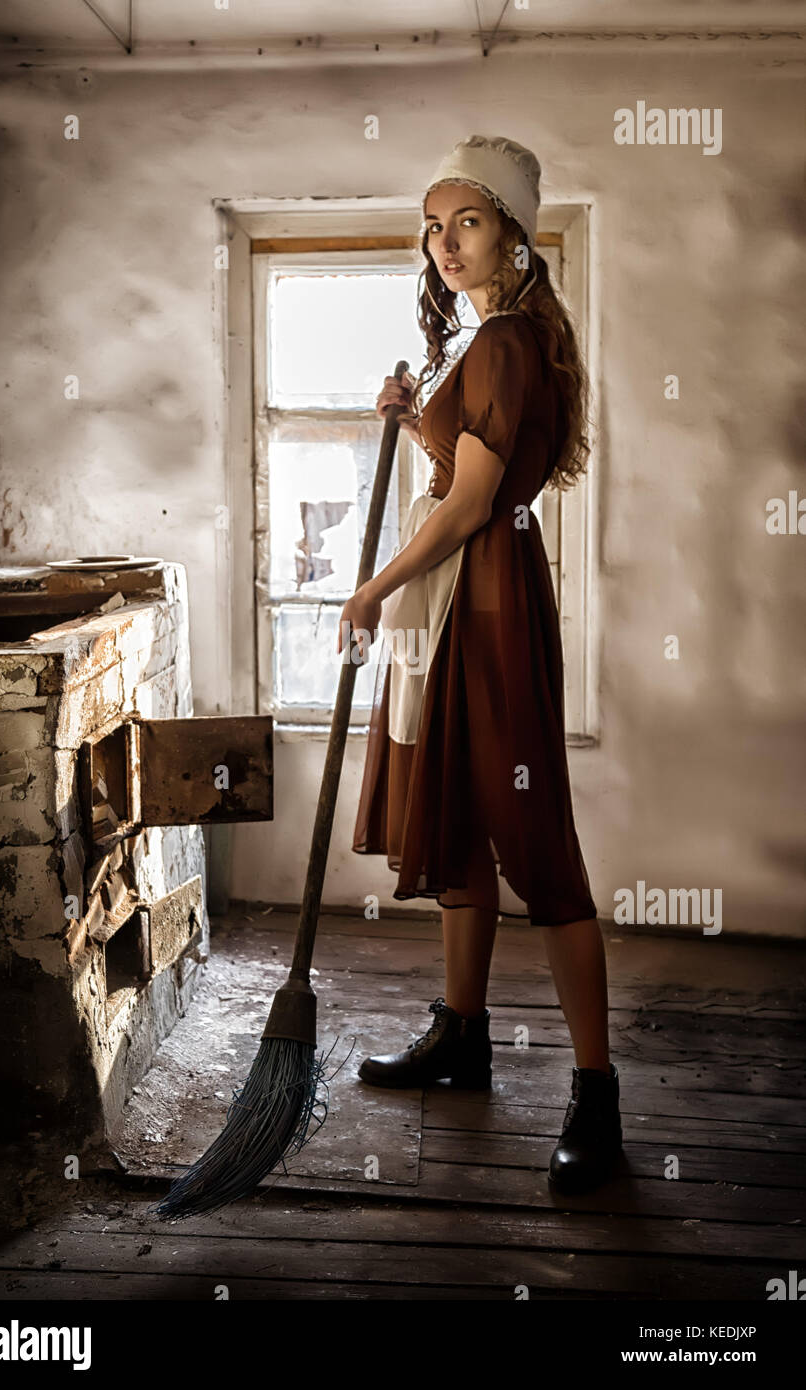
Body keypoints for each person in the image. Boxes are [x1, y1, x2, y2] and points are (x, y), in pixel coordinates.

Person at [336, 135, 622, 1194]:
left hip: (488, 602)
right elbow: (466, 475)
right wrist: (414, 420)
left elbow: (467, 509)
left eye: (464, 219)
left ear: (512, 230)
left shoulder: (504, 342)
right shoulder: (498, 339)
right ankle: (460, 1037)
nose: (441, 239)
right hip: (476, 594)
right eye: (431, 221)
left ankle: (596, 1093)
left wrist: (369, 590)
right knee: (458, 813)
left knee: (532, 840)